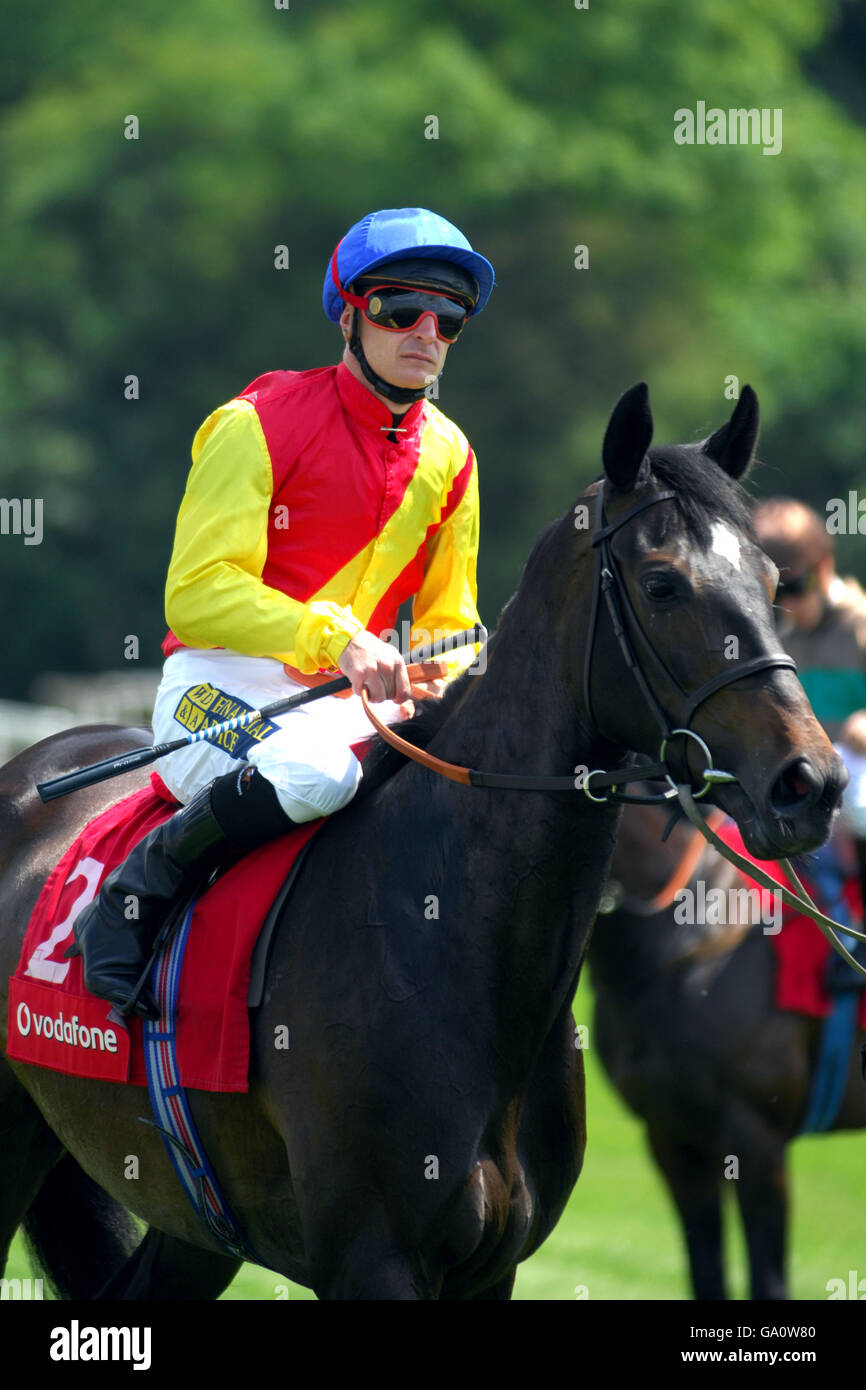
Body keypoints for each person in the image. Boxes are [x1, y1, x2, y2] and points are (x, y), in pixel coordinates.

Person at [70, 206, 495, 1019]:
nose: (427, 332)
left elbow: (452, 622)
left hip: (348, 702)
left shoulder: (453, 456)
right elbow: (195, 591)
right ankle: (134, 896)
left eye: (450, 319)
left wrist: (445, 679)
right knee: (319, 774)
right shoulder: (255, 423)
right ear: (349, 313)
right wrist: (336, 638)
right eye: (402, 309)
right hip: (213, 691)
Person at [752, 497, 866, 983]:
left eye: (794, 586)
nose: (789, 605)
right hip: (809, 765)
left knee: (857, 805)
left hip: (858, 764)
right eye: (778, 592)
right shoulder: (782, 639)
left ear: (825, 566)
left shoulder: (859, 623)